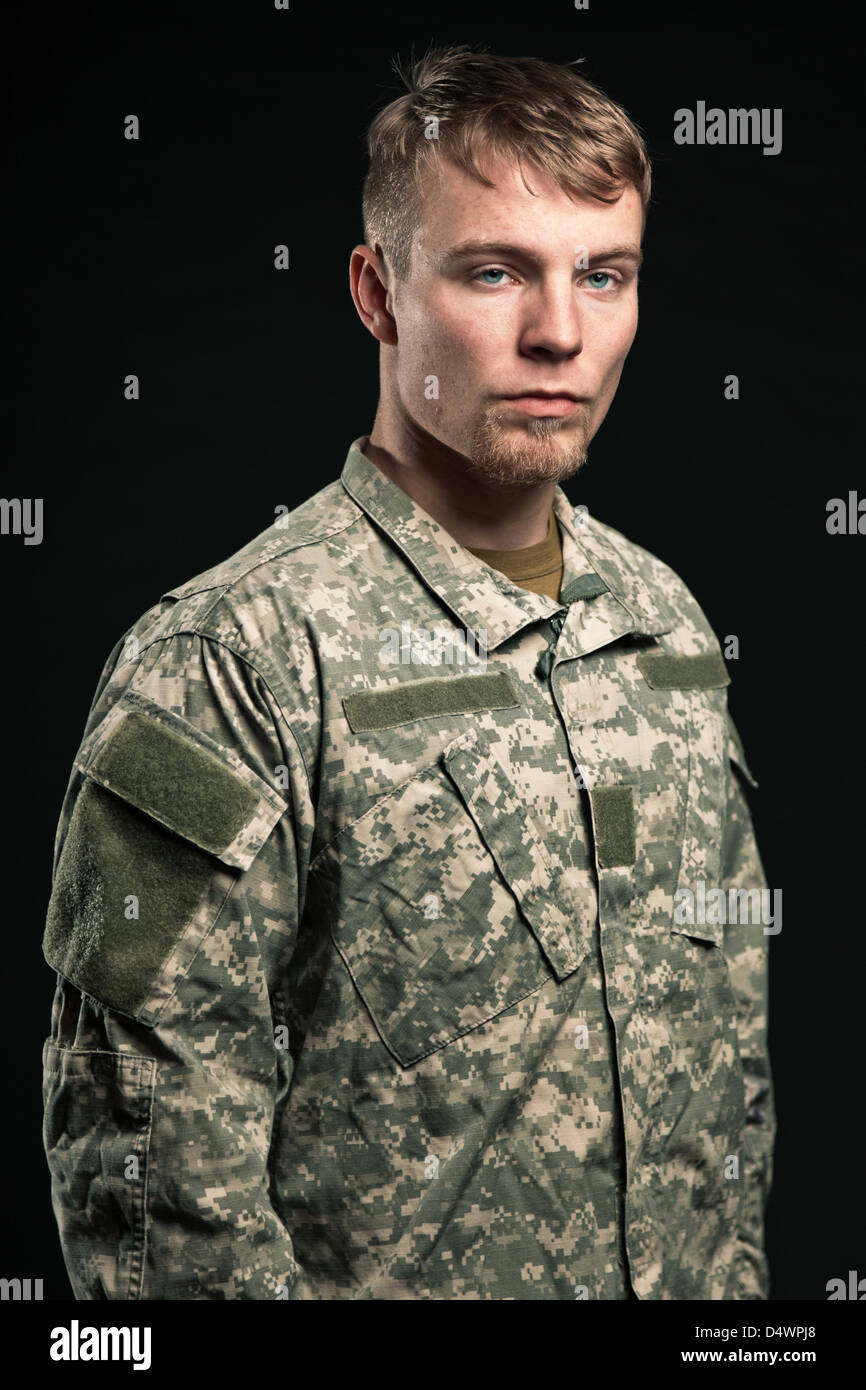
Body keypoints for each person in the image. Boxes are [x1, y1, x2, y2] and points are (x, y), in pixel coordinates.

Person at [41, 43, 774, 1300]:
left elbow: (728, 1082)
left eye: (604, 276)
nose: (559, 333)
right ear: (377, 294)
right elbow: (150, 1169)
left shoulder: (665, 624)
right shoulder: (229, 662)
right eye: (495, 271)